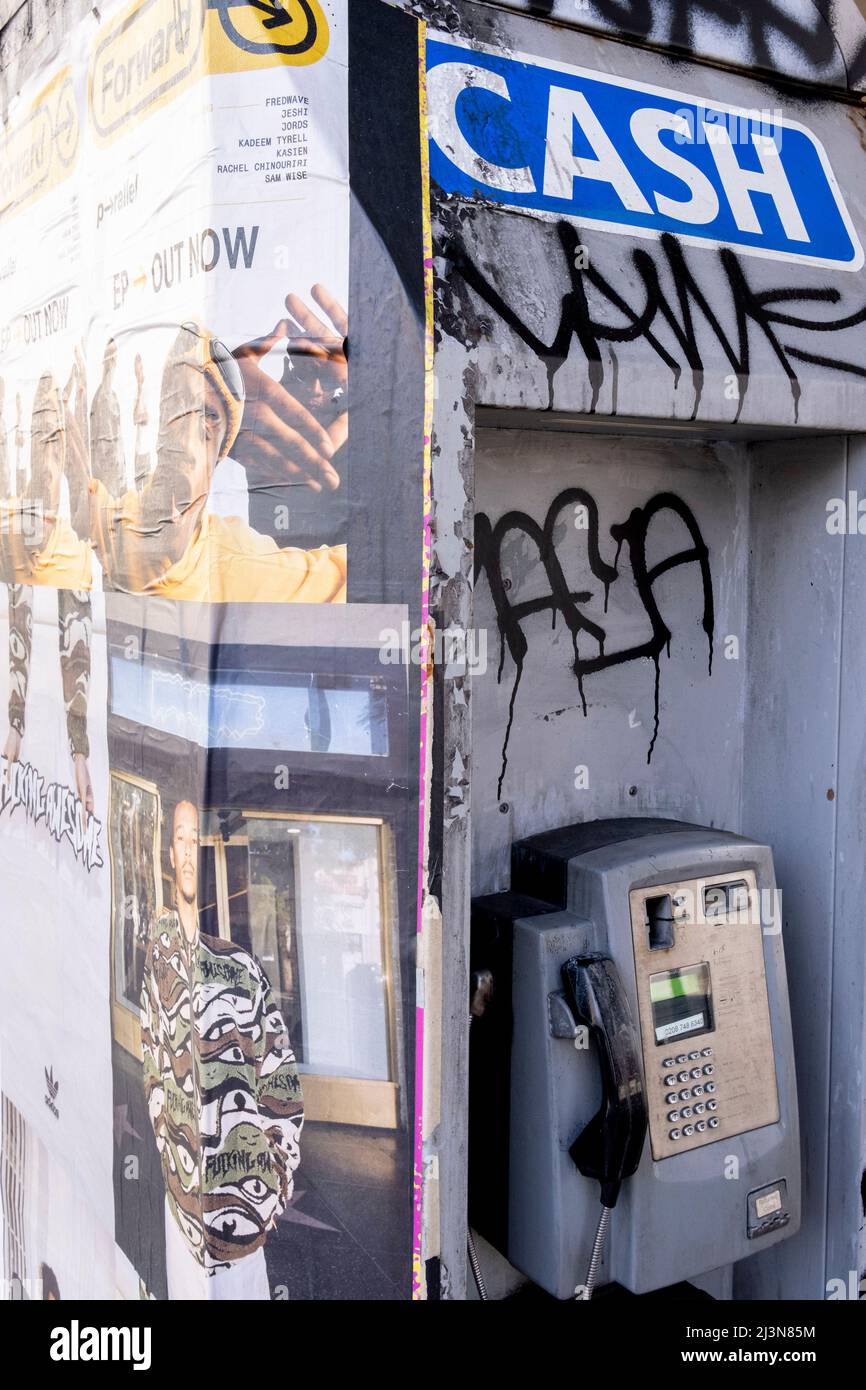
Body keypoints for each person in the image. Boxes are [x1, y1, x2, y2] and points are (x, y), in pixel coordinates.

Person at [139, 800, 303, 1300]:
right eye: (181, 841)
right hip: (181, 1216)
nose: (188, 854)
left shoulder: (239, 966)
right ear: (170, 854)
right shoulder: (159, 956)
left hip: (242, 1220)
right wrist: (171, 1156)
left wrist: (273, 1182)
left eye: (195, 842)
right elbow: (152, 1055)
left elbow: (280, 1076)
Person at [85, 317, 347, 602]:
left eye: (206, 420)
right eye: (172, 411)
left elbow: (367, 579)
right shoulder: (100, 519)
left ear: (218, 457)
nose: (184, 447)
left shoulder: (236, 563)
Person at [1, 368, 93, 817]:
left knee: (73, 618)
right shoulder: (24, 513)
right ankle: (24, 730)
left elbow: (76, 638)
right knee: (25, 605)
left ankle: (74, 751)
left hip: (56, 520)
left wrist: (78, 752)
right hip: (36, 514)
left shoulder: (71, 532)